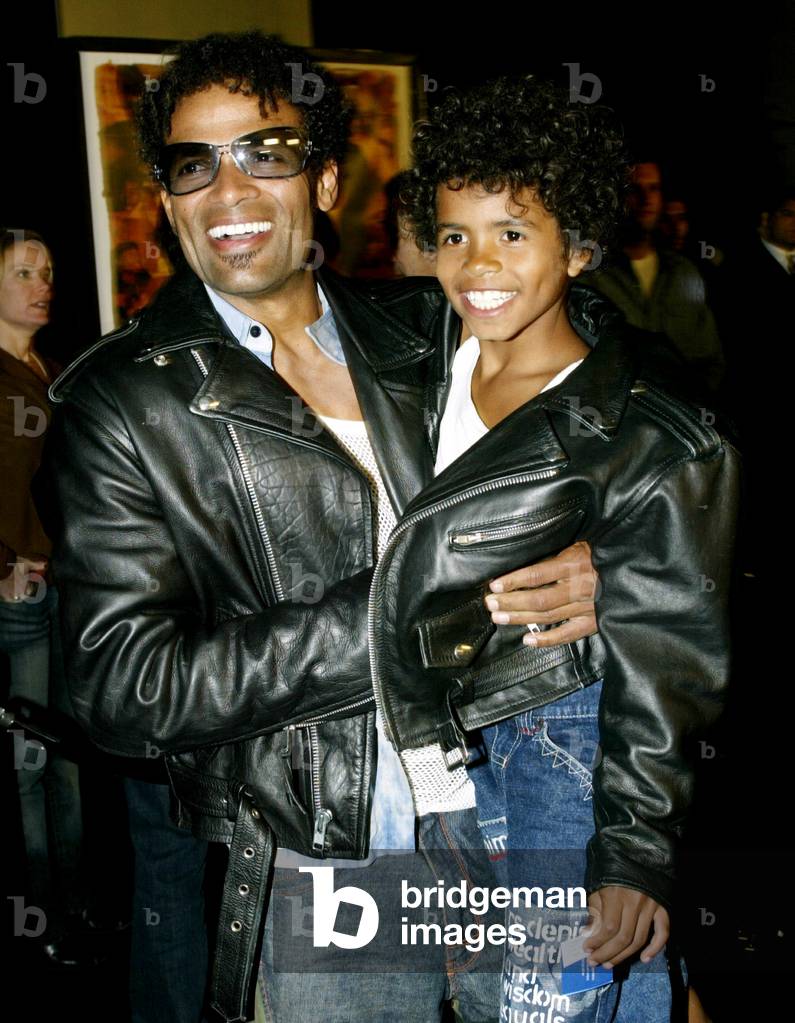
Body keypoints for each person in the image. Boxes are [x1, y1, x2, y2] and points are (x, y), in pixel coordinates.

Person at [46, 32, 600, 1022]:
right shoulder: (123, 402)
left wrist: (613, 571)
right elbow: (122, 690)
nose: (229, 188)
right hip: (338, 855)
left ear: (329, 182)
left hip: (523, 811)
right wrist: (407, 609)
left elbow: (628, 458)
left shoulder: (435, 331)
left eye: (267, 151)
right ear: (167, 199)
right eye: (193, 163)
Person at [372, 77, 739, 1021]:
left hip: (563, 748)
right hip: (445, 756)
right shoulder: (418, 369)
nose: (477, 263)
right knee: (506, 997)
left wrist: (632, 853)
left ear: (576, 248)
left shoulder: (646, 429)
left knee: (550, 1004)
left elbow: (670, 659)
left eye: (512, 232)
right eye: (454, 234)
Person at [0, 227, 89, 965]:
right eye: (25, 271)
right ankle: (42, 916)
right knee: (31, 763)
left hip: (62, 589)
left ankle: (75, 904)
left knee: (67, 757)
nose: (43, 283)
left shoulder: (50, 372)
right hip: (19, 596)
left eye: (48, 271)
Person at [588, 159, 725, 394]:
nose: (646, 199)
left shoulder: (683, 271)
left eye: (654, 189)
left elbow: (710, 359)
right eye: (634, 190)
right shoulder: (591, 274)